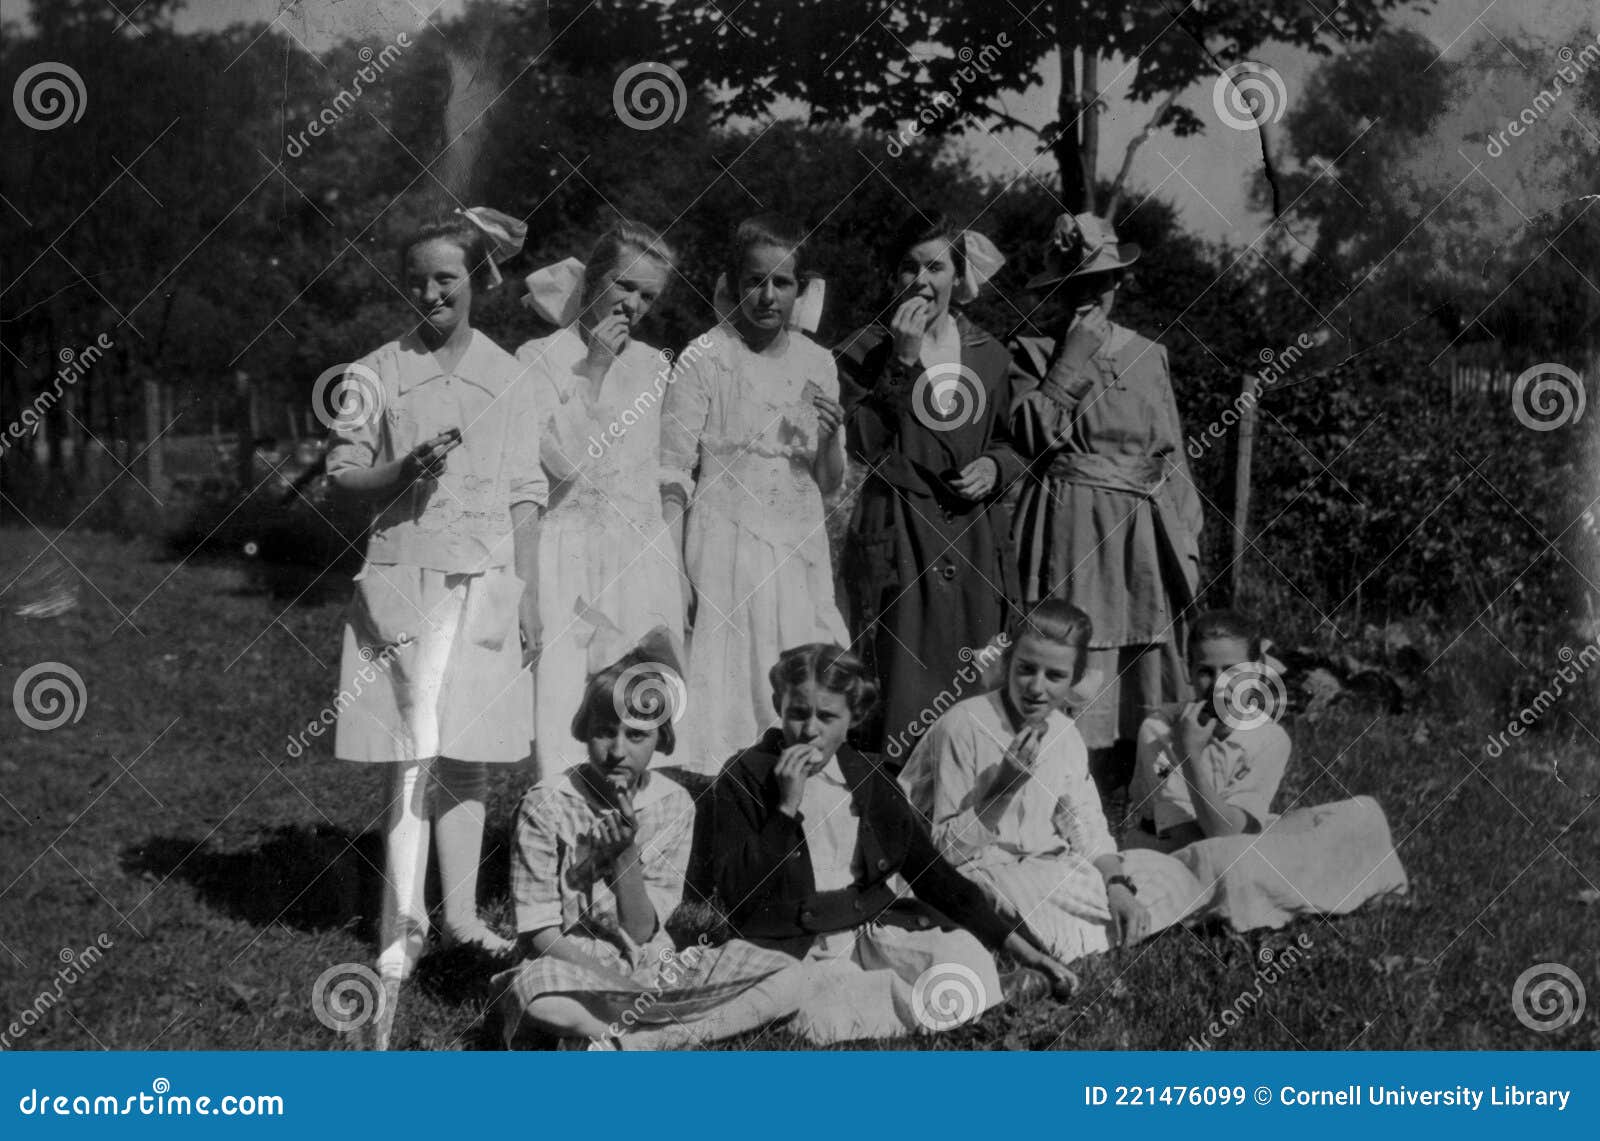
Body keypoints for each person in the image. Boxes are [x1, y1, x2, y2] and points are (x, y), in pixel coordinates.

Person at [326, 208, 540, 1046]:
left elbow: (526, 487)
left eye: (446, 277)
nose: (429, 292)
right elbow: (342, 473)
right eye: (415, 279)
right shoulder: (377, 372)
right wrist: (397, 471)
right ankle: (397, 933)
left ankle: (457, 918)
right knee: (411, 755)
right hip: (408, 580)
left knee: (469, 752)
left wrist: (524, 592)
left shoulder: (510, 374)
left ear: (475, 280)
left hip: (486, 581)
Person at [681, 643, 1079, 1045]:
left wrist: (1025, 950)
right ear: (777, 705)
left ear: (854, 717)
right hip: (793, 947)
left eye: (828, 716)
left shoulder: (868, 777)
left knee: (963, 954)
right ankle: (978, 1001)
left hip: (868, 932)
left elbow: (935, 877)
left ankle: (978, 989)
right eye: (798, 713)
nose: (810, 730)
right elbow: (738, 892)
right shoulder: (744, 777)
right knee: (824, 1013)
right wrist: (785, 808)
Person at [493, 630, 800, 1048]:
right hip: (569, 964)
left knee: (788, 974)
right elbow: (540, 933)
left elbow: (640, 933)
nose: (618, 750)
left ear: (661, 739)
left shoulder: (674, 805)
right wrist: (614, 984)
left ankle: (638, 1041)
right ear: (584, 732)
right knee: (539, 996)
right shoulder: (546, 803)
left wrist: (625, 860)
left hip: (650, 965)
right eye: (605, 732)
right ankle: (659, 1034)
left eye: (636, 735)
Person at [1010, 212, 1203, 813]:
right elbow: (1027, 433)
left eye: (1108, 278)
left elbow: (1170, 451)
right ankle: (1065, 795)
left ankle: (1136, 795)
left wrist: (1186, 532)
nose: (1096, 292)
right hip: (1072, 523)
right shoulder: (1033, 350)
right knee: (1078, 650)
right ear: (1060, 289)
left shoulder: (1152, 354)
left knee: (1144, 657)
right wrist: (1072, 357)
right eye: (1081, 281)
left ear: (1121, 282)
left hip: (1143, 529)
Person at [899, 601, 1199, 965]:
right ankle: (1063, 937)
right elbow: (943, 855)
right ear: (1008, 661)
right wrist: (1003, 789)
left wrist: (1117, 887)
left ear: (1074, 679)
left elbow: (1085, 822)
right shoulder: (963, 725)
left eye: (1055, 676)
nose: (1036, 688)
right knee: (998, 896)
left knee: (1169, 875)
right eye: (1026, 669)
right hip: (980, 874)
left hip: (1050, 869)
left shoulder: (1065, 733)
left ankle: (1073, 931)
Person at [659, 214, 849, 772]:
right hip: (725, 539)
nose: (767, 296)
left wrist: (834, 436)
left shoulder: (818, 363)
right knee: (732, 672)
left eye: (782, 283)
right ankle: (727, 804)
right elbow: (672, 470)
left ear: (800, 289)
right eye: (754, 281)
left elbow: (831, 481)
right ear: (733, 283)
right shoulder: (705, 357)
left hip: (796, 542)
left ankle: (798, 802)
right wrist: (675, 571)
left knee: (799, 658)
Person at [836, 213, 1024, 764]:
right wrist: (902, 358)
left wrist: (995, 467)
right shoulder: (865, 348)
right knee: (898, 684)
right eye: (909, 267)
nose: (922, 280)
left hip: (972, 538)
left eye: (936, 266)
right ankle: (889, 810)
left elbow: (1012, 443)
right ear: (892, 278)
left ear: (957, 276)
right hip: (899, 531)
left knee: (974, 681)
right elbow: (861, 441)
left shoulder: (990, 353)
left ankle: (967, 807)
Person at [514, 221, 685, 777]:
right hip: (569, 553)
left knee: (639, 702)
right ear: (594, 279)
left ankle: (634, 848)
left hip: (639, 553)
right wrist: (593, 369)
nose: (633, 304)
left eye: (647, 296)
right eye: (624, 286)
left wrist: (671, 561)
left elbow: (665, 469)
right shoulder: (538, 357)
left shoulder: (657, 366)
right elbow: (558, 462)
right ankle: (563, 846)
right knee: (566, 708)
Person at [1125, 609, 1292, 852]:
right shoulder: (1159, 730)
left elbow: (1231, 830)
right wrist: (1189, 752)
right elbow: (1202, 834)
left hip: (1236, 845)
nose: (1218, 685)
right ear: (1188, 672)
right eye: (1205, 672)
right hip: (1172, 851)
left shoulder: (1269, 738)